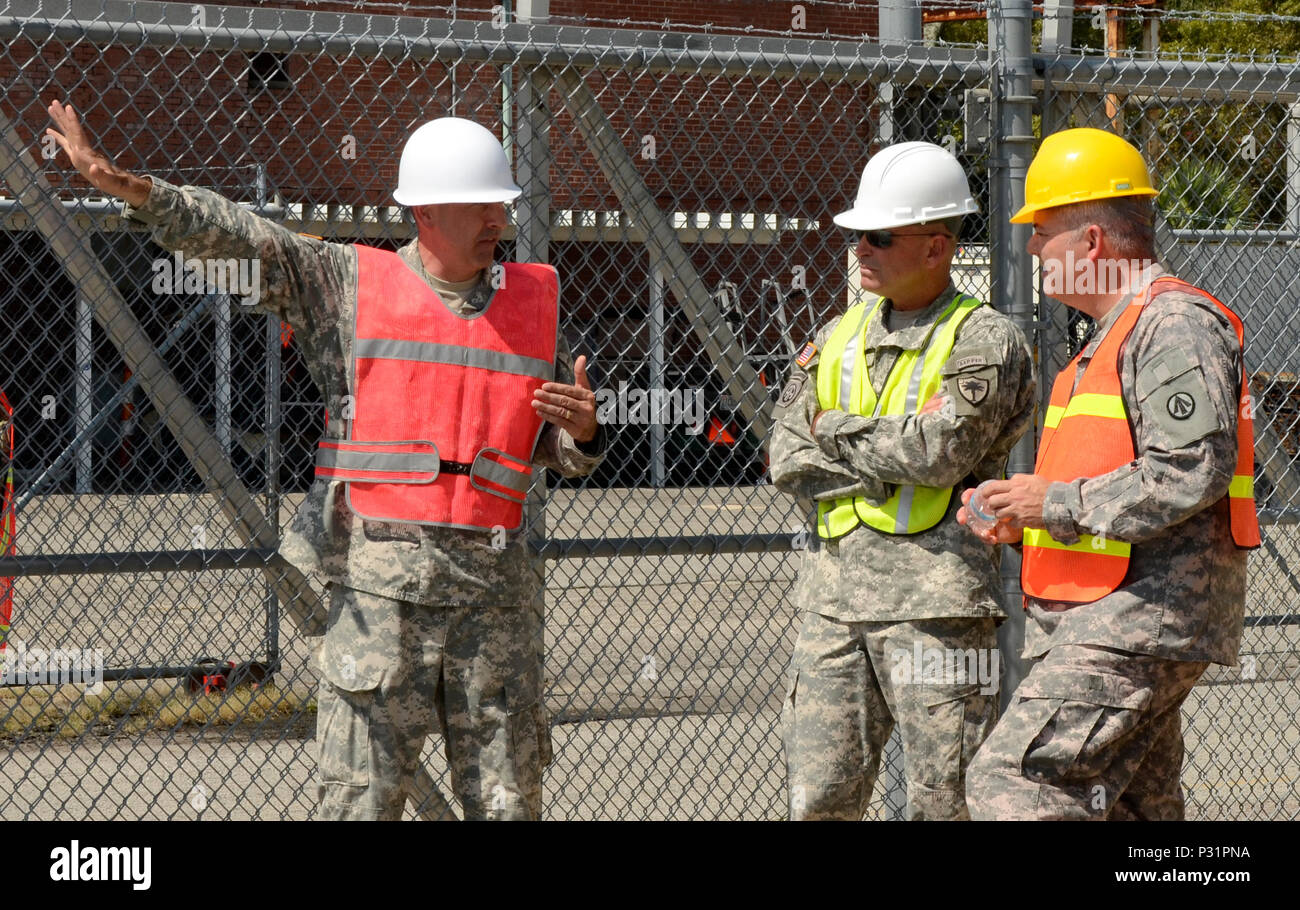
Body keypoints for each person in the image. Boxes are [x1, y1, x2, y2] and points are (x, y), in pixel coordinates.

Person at [44, 101, 606, 820]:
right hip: (380, 609)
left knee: (508, 809)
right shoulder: (350, 286)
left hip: (495, 610)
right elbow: (246, 240)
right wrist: (133, 188)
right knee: (357, 809)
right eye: (480, 204)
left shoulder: (531, 305)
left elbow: (552, 447)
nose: (497, 219)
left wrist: (584, 436)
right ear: (426, 211)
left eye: (500, 203)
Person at [960, 127, 1260, 820]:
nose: (1032, 247)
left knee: (1016, 784)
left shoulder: (1171, 324)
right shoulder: (1114, 334)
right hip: (1120, 615)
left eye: (1043, 230)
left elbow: (1192, 468)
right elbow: (1113, 478)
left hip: (1138, 618)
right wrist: (1025, 516)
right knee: (1134, 809)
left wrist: (1054, 504)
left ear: (1091, 243)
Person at [770, 141, 1036, 820]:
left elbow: (941, 455)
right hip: (834, 605)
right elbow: (787, 457)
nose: (862, 248)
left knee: (946, 803)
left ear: (936, 248)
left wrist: (837, 429)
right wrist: (885, 453)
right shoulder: (835, 335)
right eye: (858, 235)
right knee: (819, 800)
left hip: (938, 610)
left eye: (880, 236)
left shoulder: (985, 340)